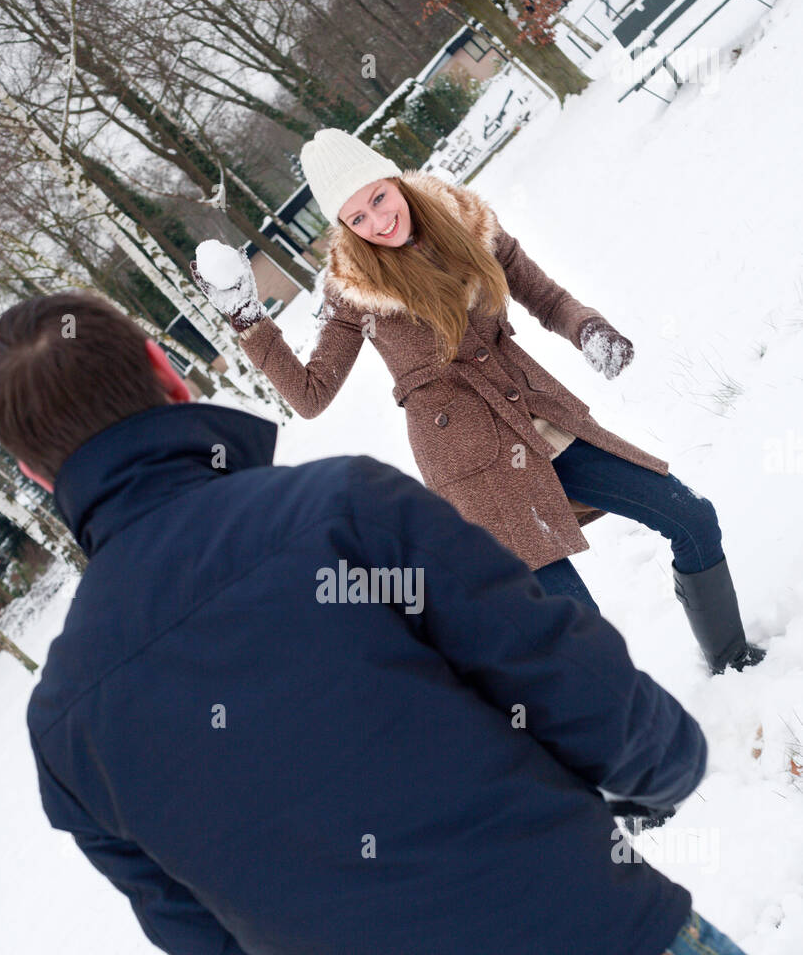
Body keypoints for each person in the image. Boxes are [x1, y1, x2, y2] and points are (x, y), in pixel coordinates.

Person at [0, 292, 801, 955]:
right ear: (170, 374)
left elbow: (215, 946)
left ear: (40, 475)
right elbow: (569, 681)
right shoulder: (338, 510)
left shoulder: (66, 722)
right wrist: (664, 764)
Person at [192, 127, 764, 676]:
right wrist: (248, 319)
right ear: (343, 227)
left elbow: (544, 296)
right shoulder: (353, 290)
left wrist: (588, 329)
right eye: (356, 218)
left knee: (691, 516)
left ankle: (733, 661)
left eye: (379, 198)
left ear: (396, 181)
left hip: (541, 419)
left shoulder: (470, 223)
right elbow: (311, 394)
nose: (378, 221)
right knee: (576, 626)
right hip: (474, 463)